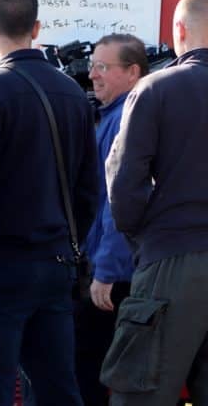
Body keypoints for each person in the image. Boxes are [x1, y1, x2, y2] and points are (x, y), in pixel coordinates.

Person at [0, 0, 99, 406]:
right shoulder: (72, 92)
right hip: (55, 267)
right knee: (58, 391)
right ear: (37, 28)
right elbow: (90, 190)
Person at [103, 0, 208, 405]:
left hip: (172, 258)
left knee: (141, 392)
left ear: (179, 30)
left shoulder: (156, 89)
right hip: (175, 250)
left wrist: (143, 239)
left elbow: (123, 182)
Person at [72, 34, 146, 406]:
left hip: (112, 280)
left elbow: (117, 203)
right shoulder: (110, 116)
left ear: (132, 72)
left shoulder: (124, 121)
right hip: (110, 269)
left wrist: (105, 270)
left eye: (104, 67)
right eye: (92, 66)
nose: (93, 75)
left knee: (93, 373)